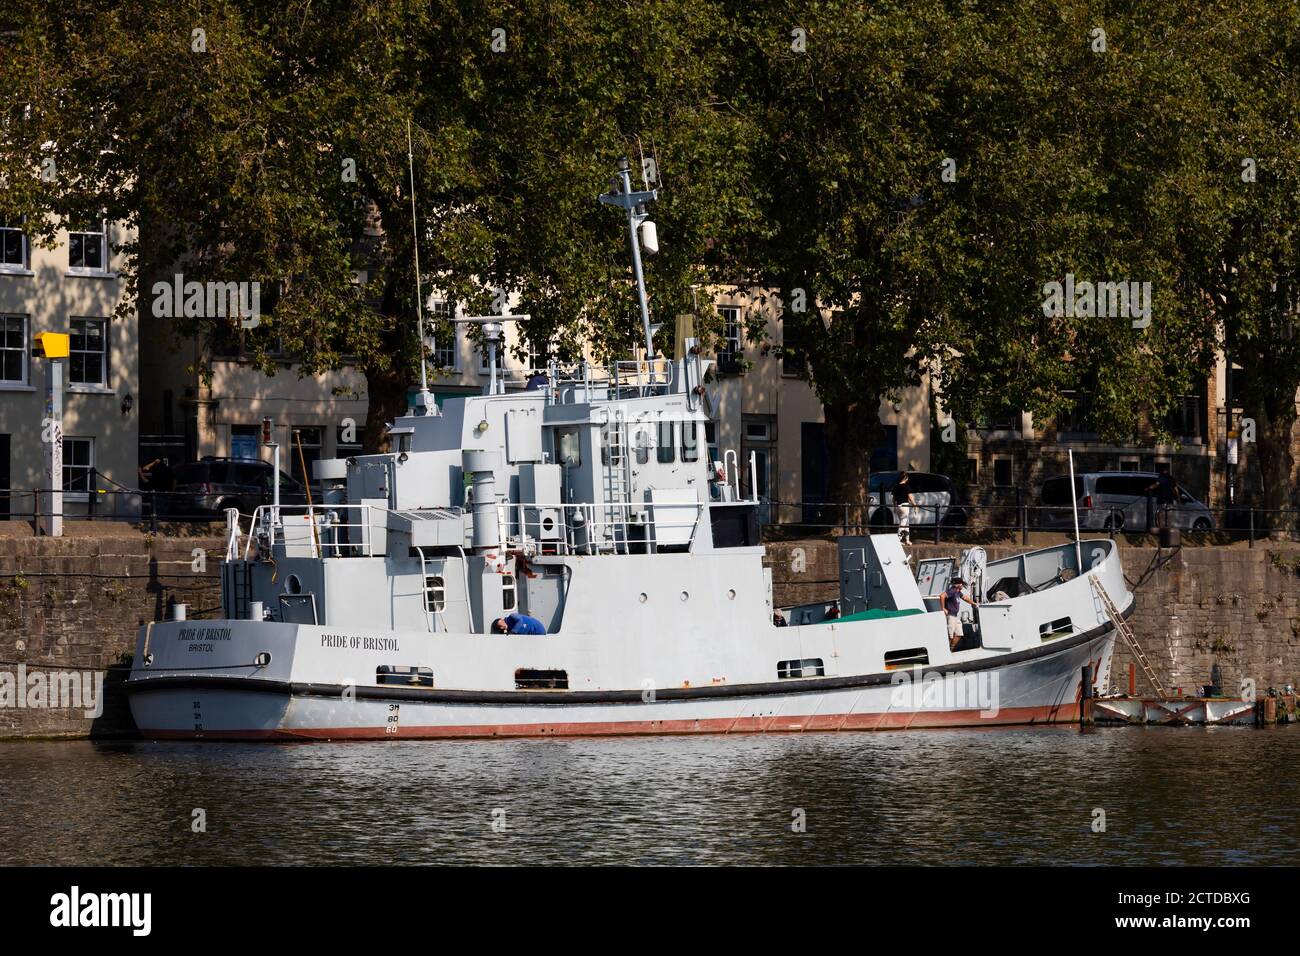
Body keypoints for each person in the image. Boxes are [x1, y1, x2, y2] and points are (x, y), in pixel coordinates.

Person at [944, 576, 978, 652]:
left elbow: (965, 598)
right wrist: (943, 608)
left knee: (959, 634)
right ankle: (946, 651)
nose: (962, 585)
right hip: (950, 615)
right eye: (961, 584)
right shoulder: (952, 591)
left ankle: (950, 649)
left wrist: (974, 603)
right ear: (956, 584)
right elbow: (942, 596)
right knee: (950, 635)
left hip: (955, 616)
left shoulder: (958, 592)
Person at [894, 472, 915, 545]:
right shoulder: (907, 486)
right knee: (903, 524)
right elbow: (910, 497)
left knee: (906, 523)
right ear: (906, 478)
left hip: (898, 506)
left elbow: (894, 498)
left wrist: (894, 507)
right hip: (905, 507)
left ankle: (907, 540)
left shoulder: (896, 486)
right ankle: (898, 540)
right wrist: (915, 505)